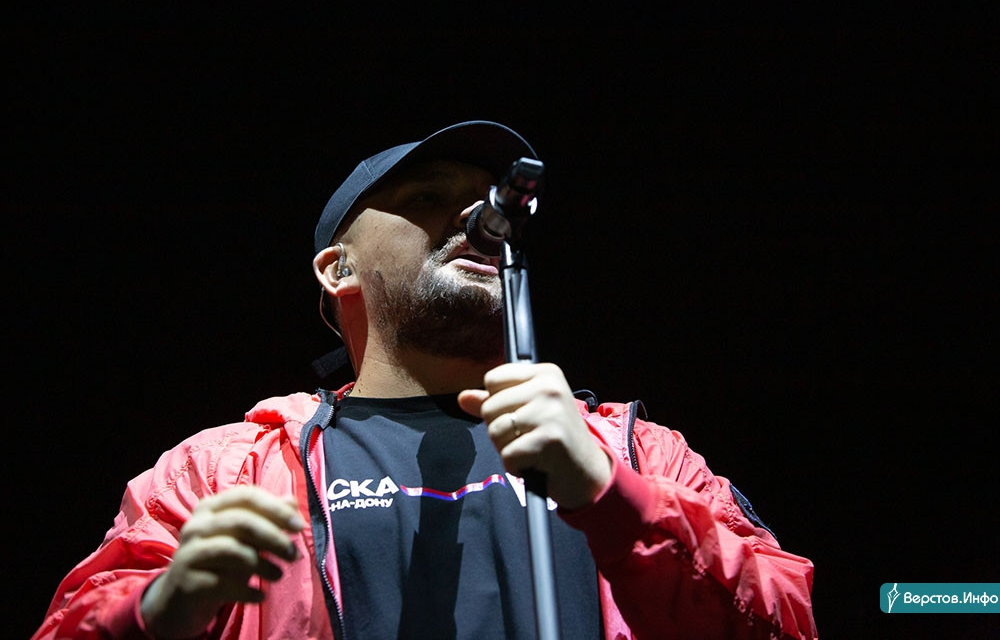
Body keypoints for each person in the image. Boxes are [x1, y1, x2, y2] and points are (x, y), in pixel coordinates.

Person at [32, 120, 818, 639]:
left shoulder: (633, 451)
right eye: (429, 197)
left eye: (485, 204)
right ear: (337, 267)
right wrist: (158, 610)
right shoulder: (226, 470)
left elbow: (785, 618)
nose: (474, 219)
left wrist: (612, 495)